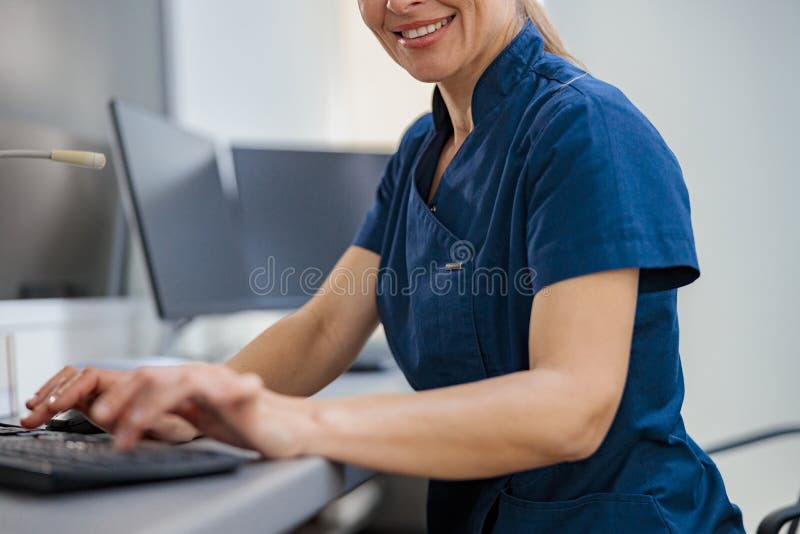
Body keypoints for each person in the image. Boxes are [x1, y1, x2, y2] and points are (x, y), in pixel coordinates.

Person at [23, 1, 745, 532]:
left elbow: (572, 408)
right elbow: (324, 328)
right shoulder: (420, 152)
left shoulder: (586, 129)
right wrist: (181, 401)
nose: (399, 4)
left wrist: (293, 423)